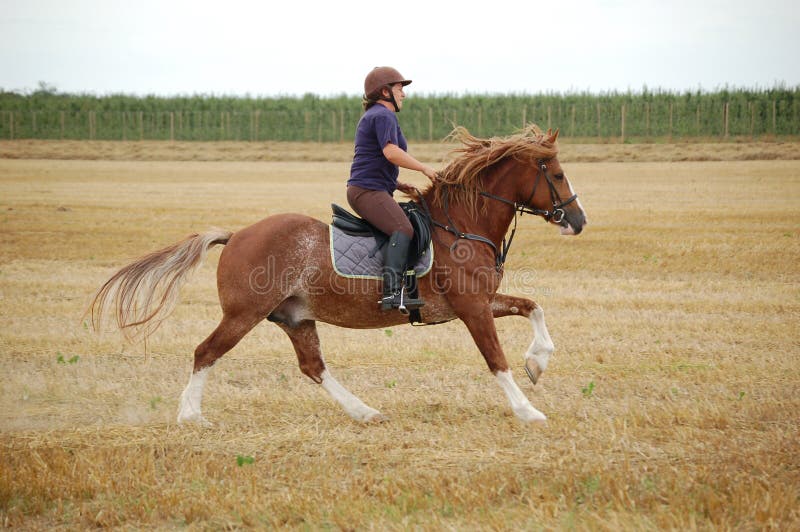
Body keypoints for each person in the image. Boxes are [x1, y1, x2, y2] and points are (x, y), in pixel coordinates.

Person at [347, 66, 438, 312]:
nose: (404, 95)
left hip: (371, 188)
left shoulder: (376, 115)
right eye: (400, 89)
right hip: (367, 192)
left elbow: (371, 160)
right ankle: (392, 294)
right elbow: (390, 152)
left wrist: (397, 184)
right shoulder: (383, 116)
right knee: (402, 228)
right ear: (385, 92)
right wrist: (424, 169)